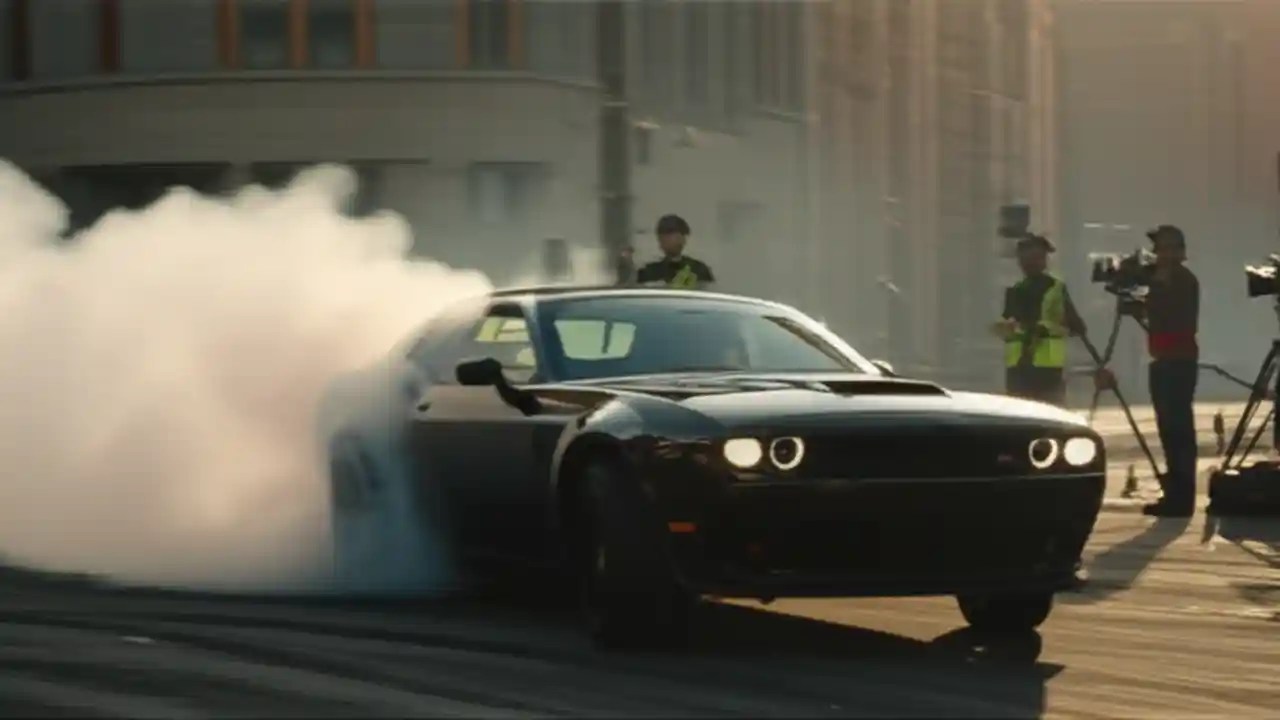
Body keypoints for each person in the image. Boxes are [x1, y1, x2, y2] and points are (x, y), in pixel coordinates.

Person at [1137, 224, 1200, 517]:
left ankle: (1181, 497)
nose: (1156, 255)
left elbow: (1177, 319)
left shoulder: (1182, 281)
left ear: (1176, 251)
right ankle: (1174, 493)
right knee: (1168, 430)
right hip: (1164, 359)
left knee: (1177, 431)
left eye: (1161, 248)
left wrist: (1153, 296)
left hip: (1178, 362)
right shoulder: (1165, 281)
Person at [994, 233, 1087, 407]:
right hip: (1030, 369)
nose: (1029, 261)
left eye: (1035, 256)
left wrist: (1046, 329)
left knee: (1031, 419)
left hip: (1036, 369)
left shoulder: (1048, 289)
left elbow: (1077, 327)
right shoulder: (1018, 290)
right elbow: (1078, 327)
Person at [635, 214, 716, 289]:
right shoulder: (648, 272)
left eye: (675, 236)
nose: (668, 241)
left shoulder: (699, 269)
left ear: (684, 239)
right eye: (664, 237)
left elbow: (709, 297)